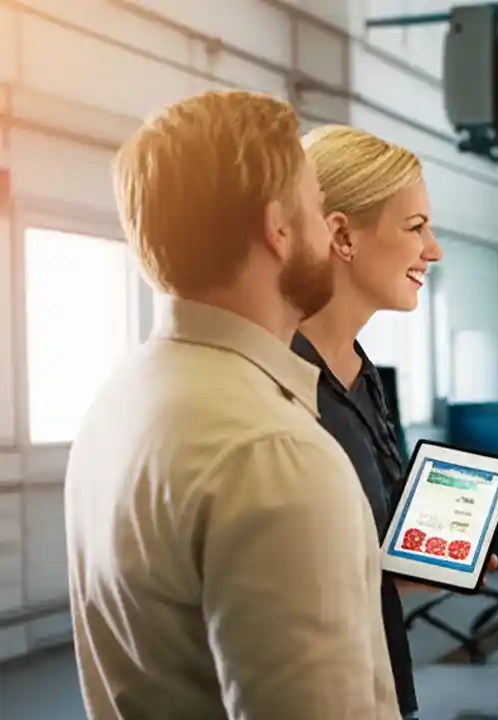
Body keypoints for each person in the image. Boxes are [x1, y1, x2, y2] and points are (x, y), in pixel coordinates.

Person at [64, 90, 399, 719]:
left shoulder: (120, 401)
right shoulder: (275, 453)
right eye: (318, 207)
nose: (330, 232)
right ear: (278, 230)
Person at [290, 125, 496, 720]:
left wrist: (418, 566)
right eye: (415, 228)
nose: (434, 250)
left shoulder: (365, 374)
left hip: (376, 685)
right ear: (341, 234)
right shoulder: (276, 383)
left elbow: (352, 560)